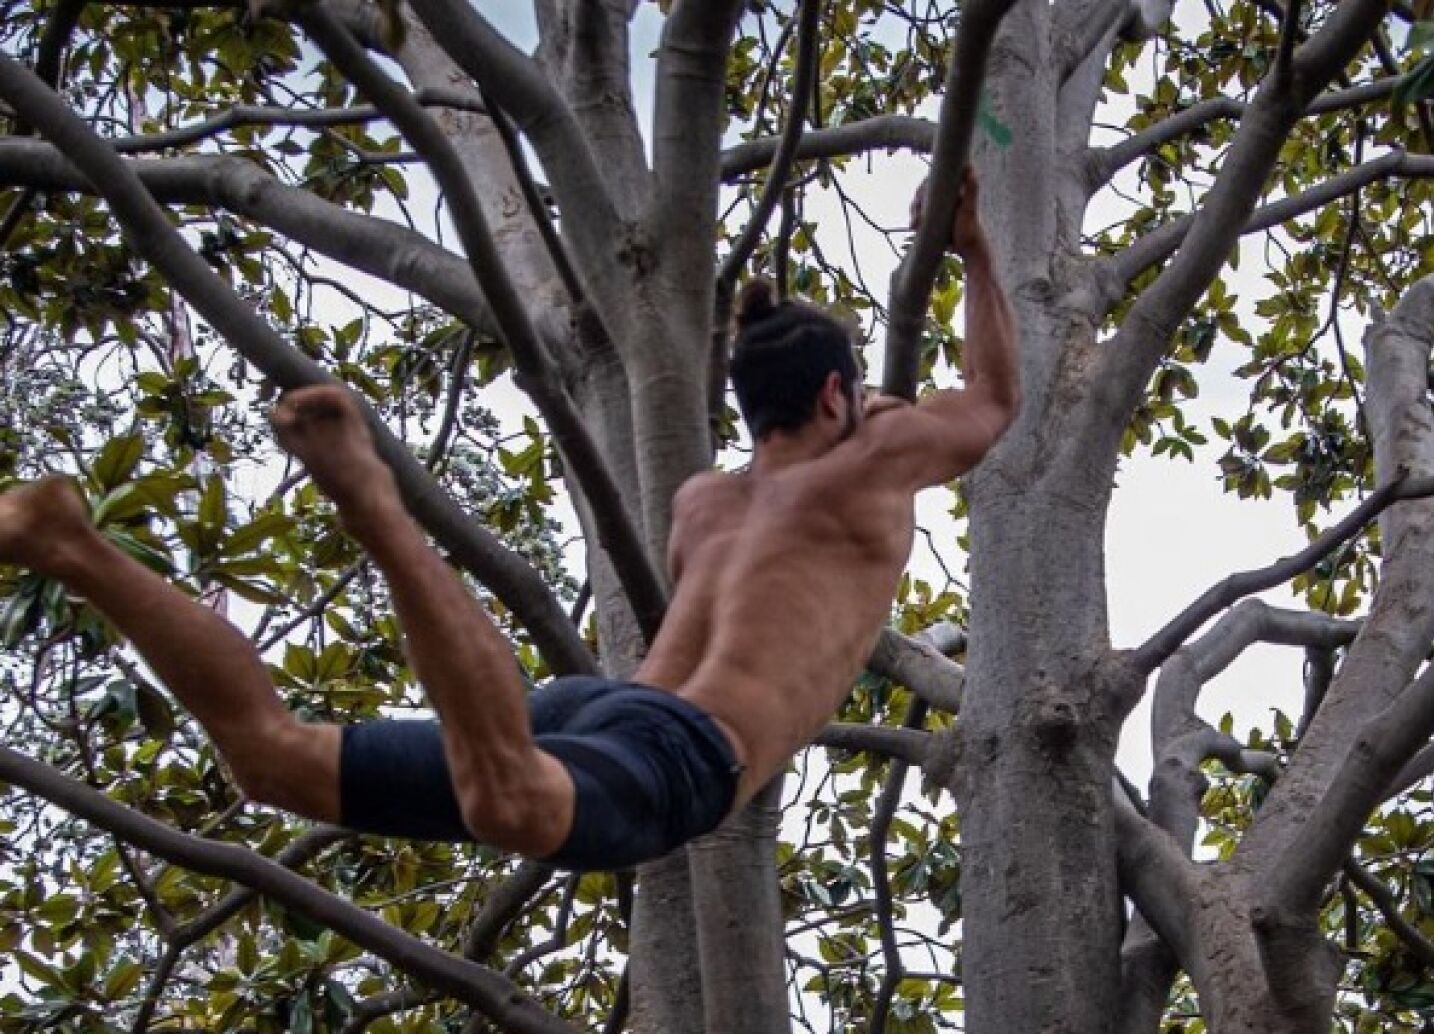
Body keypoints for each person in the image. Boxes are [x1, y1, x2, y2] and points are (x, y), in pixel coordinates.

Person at [0, 172, 1018, 871]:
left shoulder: (702, 500)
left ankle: (68, 545)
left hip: (598, 711)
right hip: (682, 757)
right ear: (838, 399)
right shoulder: (869, 467)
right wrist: (968, 247)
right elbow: (991, 400)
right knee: (511, 806)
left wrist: (859, 409)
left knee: (274, 759)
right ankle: (376, 511)